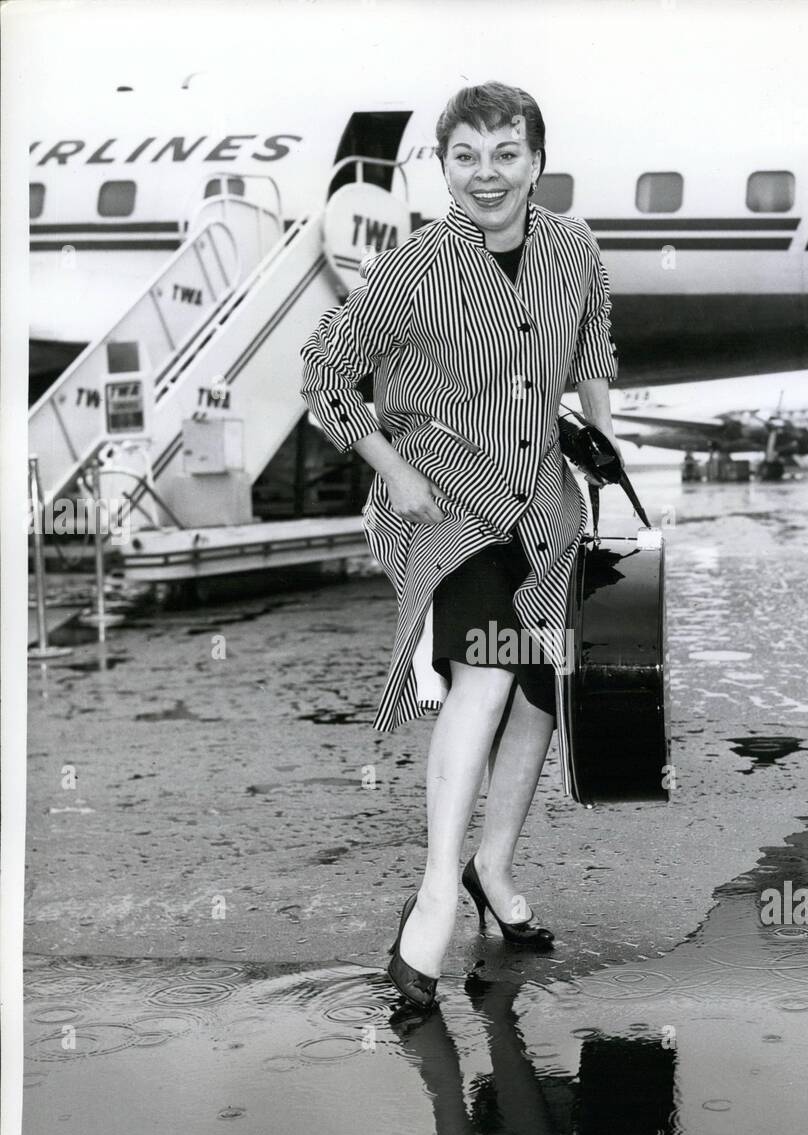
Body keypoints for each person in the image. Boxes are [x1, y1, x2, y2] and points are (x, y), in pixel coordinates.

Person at [300, 81, 620, 1009]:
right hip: (448, 500)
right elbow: (326, 373)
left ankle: (492, 866)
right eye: (466, 157)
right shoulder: (415, 267)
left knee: (536, 696)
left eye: (505, 155)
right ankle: (435, 900)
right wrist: (393, 470)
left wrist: (601, 444)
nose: (486, 176)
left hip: (546, 506)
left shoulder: (574, 251)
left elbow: (593, 354)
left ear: (537, 162)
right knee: (483, 674)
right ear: (443, 165)